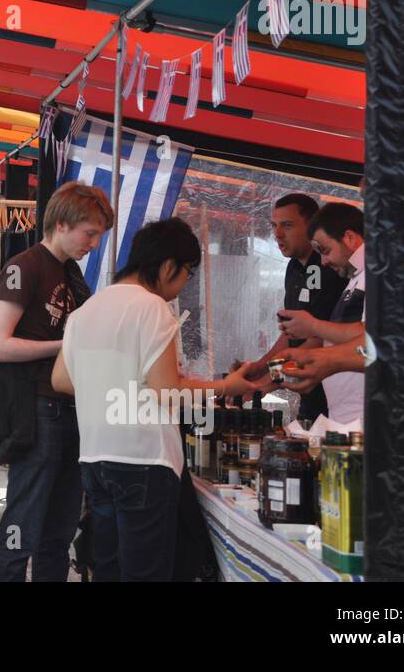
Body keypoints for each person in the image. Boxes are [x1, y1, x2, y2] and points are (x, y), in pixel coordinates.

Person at [53, 217, 258, 581]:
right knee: (145, 573)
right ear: (168, 266)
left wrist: (113, 387)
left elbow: (62, 380)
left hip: (95, 457)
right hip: (143, 459)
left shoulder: (86, 311)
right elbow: (167, 391)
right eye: (186, 275)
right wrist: (227, 387)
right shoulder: (152, 308)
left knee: (108, 568)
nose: (181, 287)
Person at [0, 182, 112, 582]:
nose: (93, 243)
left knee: (58, 530)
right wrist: (65, 343)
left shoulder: (70, 274)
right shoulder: (25, 266)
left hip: (69, 409)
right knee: (22, 524)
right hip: (37, 410)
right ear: (61, 223)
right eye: (89, 233)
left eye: (98, 235)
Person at [242, 194, 348, 422]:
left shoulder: (332, 268)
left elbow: (322, 338)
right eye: (274, 226)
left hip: (336, 399)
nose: (277, 234)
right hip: (308, 399)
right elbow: (291, 335)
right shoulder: (293, 269)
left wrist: (267, 382)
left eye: (287, 225)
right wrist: (261, 366)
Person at [278, 202, 368, 425]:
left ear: (349, 237)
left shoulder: (377, 275)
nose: (324, 262)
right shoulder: (355, 279)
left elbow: (375, 340)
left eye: (325, 251)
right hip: (345, 417)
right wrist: (267, 373)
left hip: (364, 416)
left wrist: (314, 329)